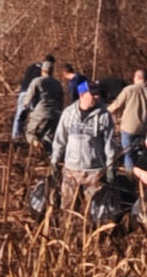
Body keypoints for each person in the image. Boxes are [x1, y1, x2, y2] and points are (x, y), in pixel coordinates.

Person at [49, 76, 117, 209]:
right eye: (93, 94)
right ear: (82, 95)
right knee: (67, 207)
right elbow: (59, 139)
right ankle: (67, 227)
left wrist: (110, 167)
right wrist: (54, 161)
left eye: (98, 94)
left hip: (94, 171)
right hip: (71, 170)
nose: (97, 97)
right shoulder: (68, 114)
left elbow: (110, 144)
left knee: (93, 209)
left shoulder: (104, 116)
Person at [15, 56, 65, 148]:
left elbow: (28, 98)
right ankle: (46, 158)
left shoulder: (37, 81)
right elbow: (61, 100)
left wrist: (24, 110)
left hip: (40, 113)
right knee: (48, 138)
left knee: (30, 133)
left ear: (42, 70)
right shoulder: (58, 84)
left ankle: (36, 144)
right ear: (52, 71)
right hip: (55, 115)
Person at [110, 67, 147, 171]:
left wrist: (104, 111)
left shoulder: (129, 89)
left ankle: (130, 177)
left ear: (137, 77)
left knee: (128, 155)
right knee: (141, 156)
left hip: (129, 128)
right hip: (145, 129)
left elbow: (116, 105)